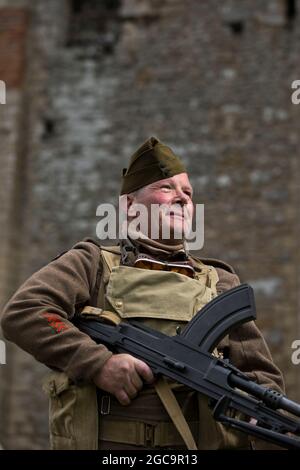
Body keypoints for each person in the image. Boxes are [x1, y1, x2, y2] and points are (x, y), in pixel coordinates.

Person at [1, 136, 284, 450]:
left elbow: (261, 377)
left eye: (188, 193)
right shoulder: (91, 264)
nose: (182, 199)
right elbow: (26, 312)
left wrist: (264, 421)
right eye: (166, 188)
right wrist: (98, 363)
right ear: (129, 206)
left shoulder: (219, 281)